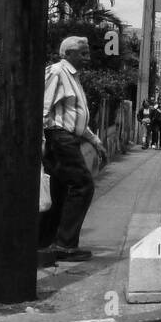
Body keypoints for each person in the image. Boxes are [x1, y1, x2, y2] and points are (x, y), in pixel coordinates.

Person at [41, 36, 106, 261]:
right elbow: (44, 107)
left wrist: (94, 140)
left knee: (60, 190)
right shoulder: (58, 72)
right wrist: (42, 140)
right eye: (82, 53)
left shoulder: (73, 77)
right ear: (67, 53)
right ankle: (65, 243)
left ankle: (47, 241)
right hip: (59, 138)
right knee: (82, 186)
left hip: (66, 137)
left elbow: (75, 116)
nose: (87, 57)